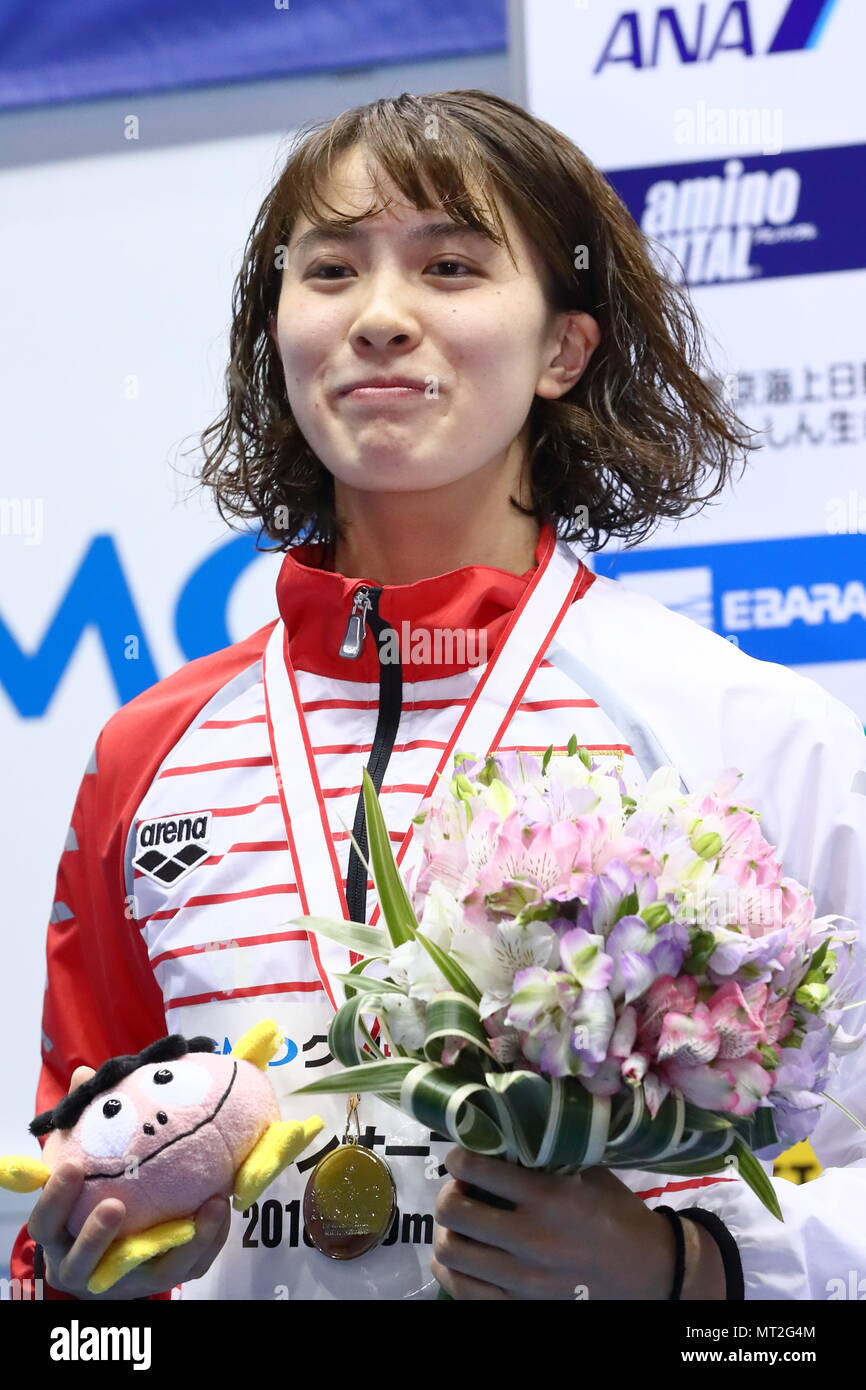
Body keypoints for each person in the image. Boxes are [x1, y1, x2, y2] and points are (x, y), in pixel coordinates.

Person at [11, 90, 866, 1301]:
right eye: (329, 270)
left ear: (563, 348)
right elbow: (55, 1259)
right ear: (279, 333)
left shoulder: (741, 732)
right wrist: (95, 1290)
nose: (378, 318)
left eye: (449, 265)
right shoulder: (149, 753)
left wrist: (688, 1277)